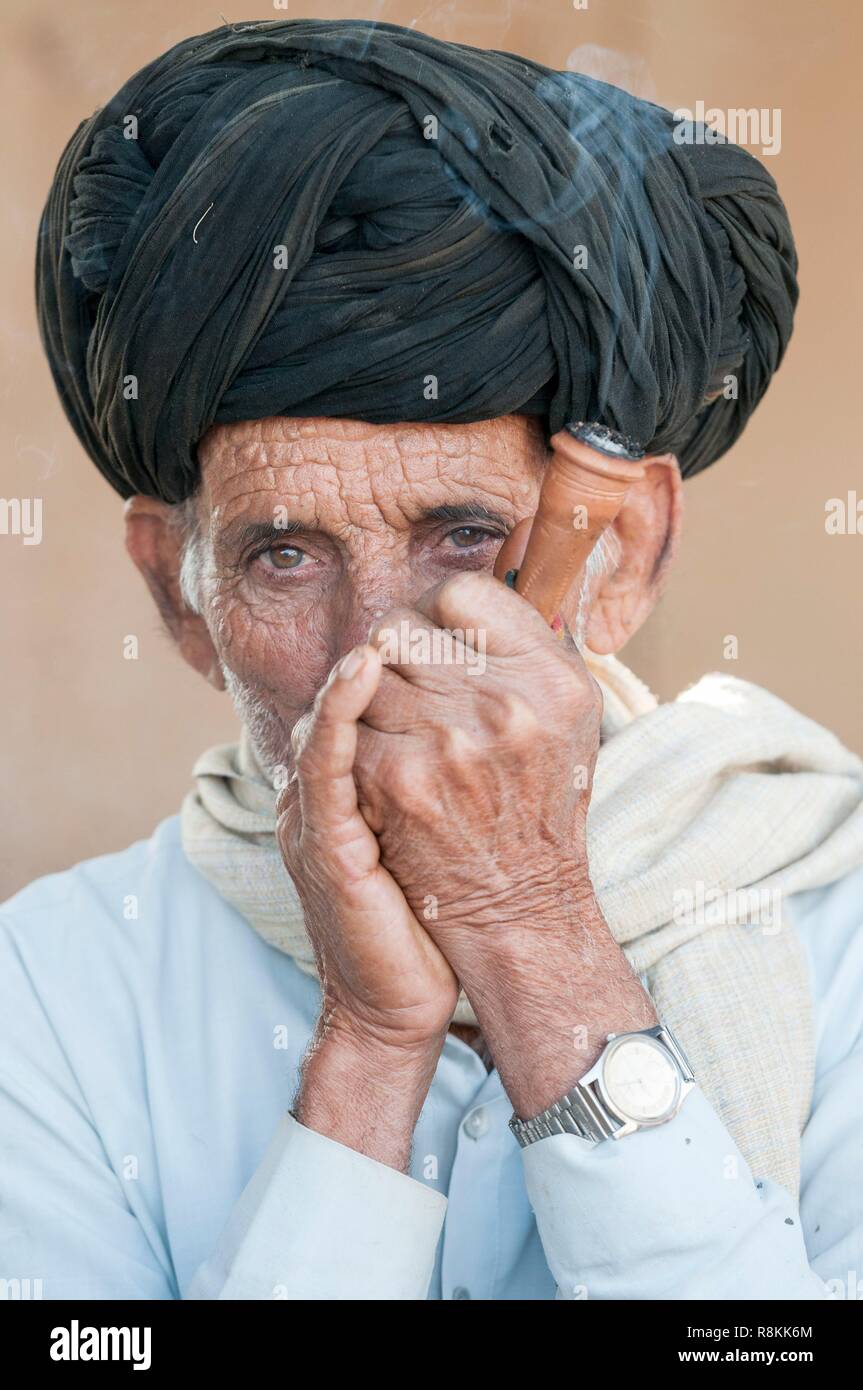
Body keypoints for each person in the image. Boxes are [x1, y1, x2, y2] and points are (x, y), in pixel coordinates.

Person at [4, 18, 860, 1301]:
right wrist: (369, 1041)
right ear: (177, 596)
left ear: (618, 556)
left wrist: (531, 936)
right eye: (283, 556)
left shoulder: (834, 935)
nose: (375, 652)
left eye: (461, 537)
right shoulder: (56, 990)